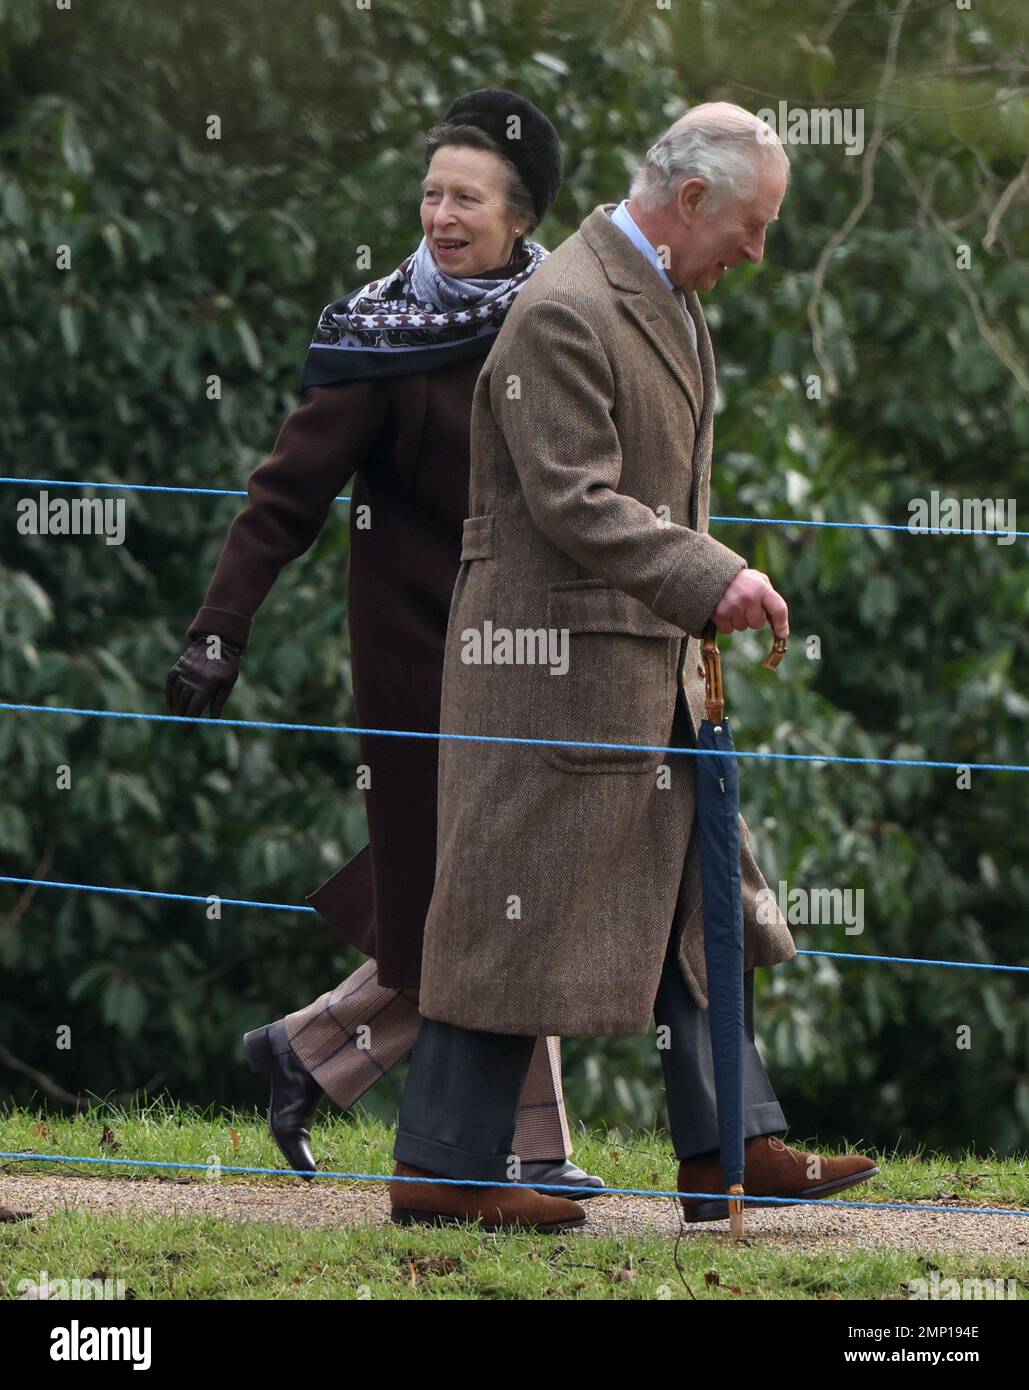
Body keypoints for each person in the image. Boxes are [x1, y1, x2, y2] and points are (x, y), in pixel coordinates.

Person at [388, 102, 879, 1232]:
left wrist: (690, 594)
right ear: (694, 198)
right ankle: (442, 1170)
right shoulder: (565, 307)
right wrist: (710, 576)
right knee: (509, 913)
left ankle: (728, 1146)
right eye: (753, 224)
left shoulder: (669, 298)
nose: (760, 250)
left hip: (638, 664)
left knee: (698, 896)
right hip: (548, 673)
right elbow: (573, 496)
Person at [165, 89, 604, 1196]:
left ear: (520, 217)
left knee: (516, 889)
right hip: (422, 666)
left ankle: (316, 1049)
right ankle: (524, 1151)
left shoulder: (557, 318)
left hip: (541, 660)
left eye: (467, 197)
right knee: (462, 906)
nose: (441, 216)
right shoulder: (379, 336)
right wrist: (220, 632)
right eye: (430, 194)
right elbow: (282, 500)